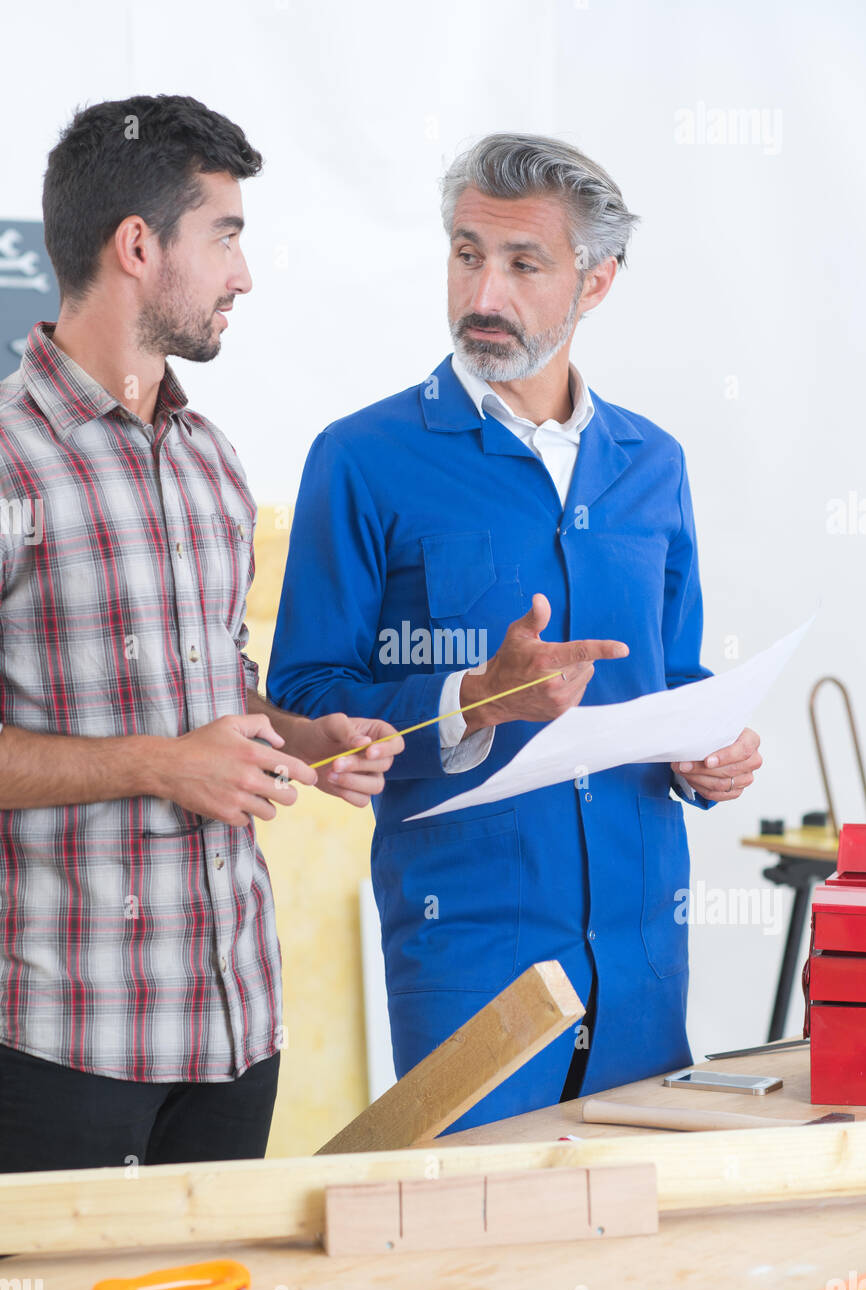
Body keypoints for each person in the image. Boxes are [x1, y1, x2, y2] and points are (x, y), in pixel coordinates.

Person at [267, 132, 762, 1131]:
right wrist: (468, 700)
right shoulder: (361, 459)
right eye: (464, 253)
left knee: (634, 1246)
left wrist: (708, 750)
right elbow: (301, 697)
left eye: (521, 263)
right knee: (474, 1242)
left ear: (596, 281)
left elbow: (672, 678)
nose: (480, 292)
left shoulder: (649, 464)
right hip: (467, 954)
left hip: (637, 951)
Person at [0, 94, 403, 1173]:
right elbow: (170, 749)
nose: (242, 273)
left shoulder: (213, 460)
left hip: (234, 1028)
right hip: (57, 1042)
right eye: (223, 234)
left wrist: (305, 740)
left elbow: (221, 693)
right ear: (138, 245)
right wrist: (160, 766)